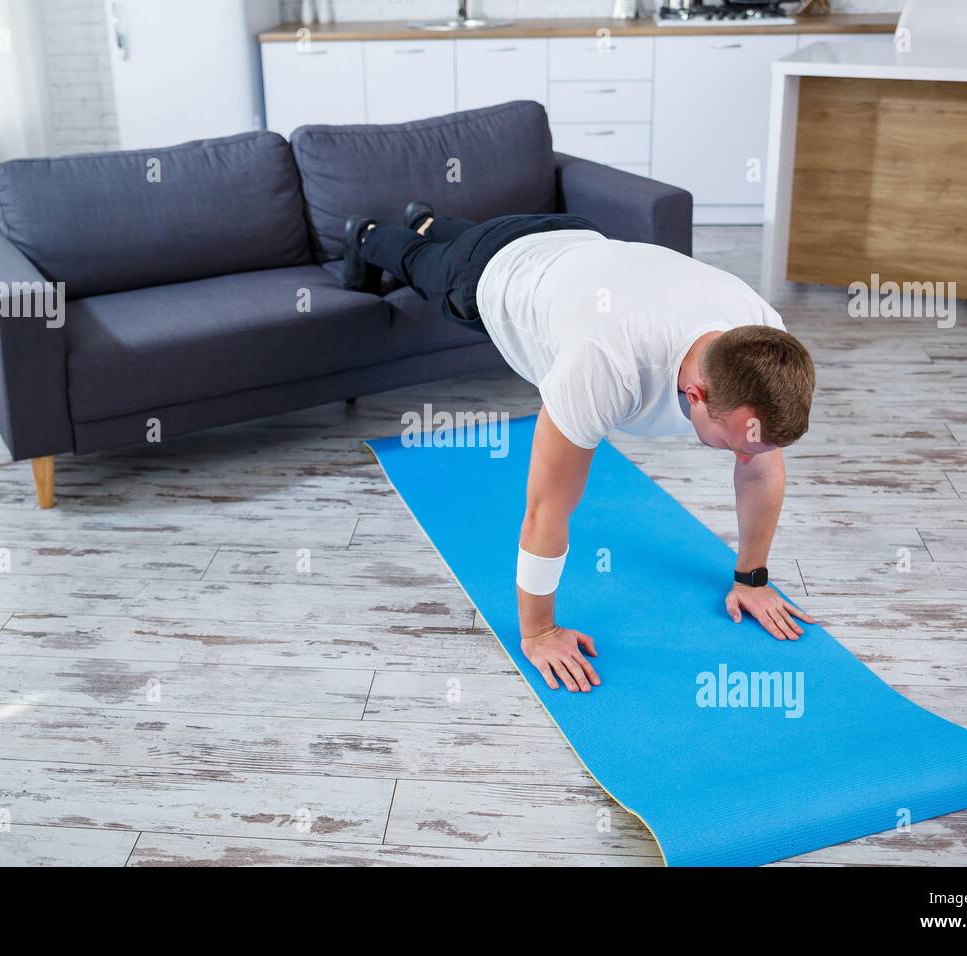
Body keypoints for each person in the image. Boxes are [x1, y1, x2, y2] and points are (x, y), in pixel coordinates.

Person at [343, 204, 817, 693]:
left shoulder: (761, 342)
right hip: (490, 270)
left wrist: (752, 579)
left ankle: (428, 218)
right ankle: (369, 234)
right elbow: (546, 509)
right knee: (423, 264)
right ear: (695, 394)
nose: (746, 457)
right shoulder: (604, 365)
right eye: (734, 446)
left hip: (576, 237)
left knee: (469, 230)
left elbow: (760, 470)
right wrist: (540, 632)